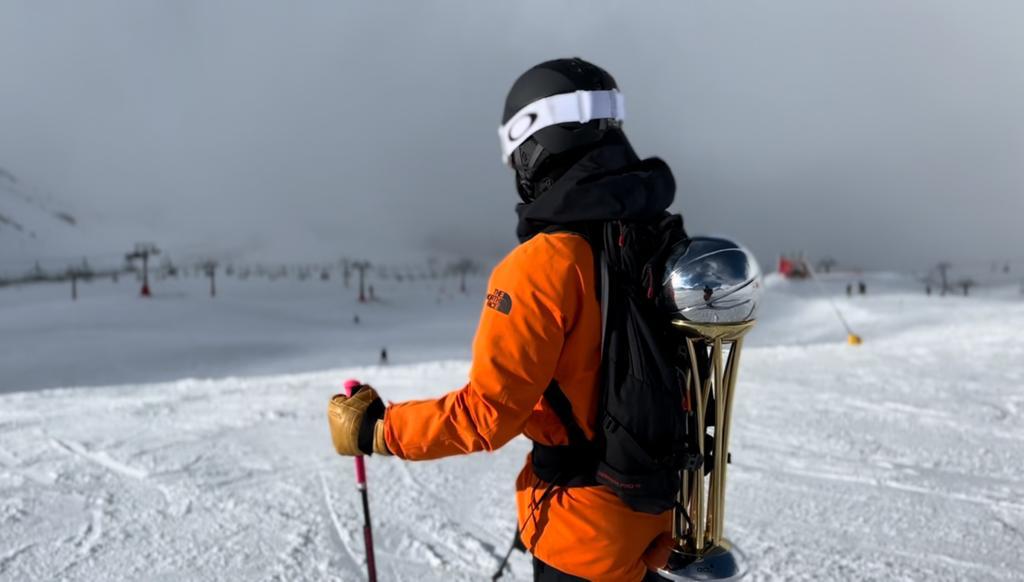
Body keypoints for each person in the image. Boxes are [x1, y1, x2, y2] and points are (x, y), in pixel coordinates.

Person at [328, 58, 677, 581]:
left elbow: (486, 415)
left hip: (582, 535)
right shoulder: (656, 238)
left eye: (517, 155)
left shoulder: (542, 265)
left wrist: (378, 429)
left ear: (538, 147)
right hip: (656, 515)